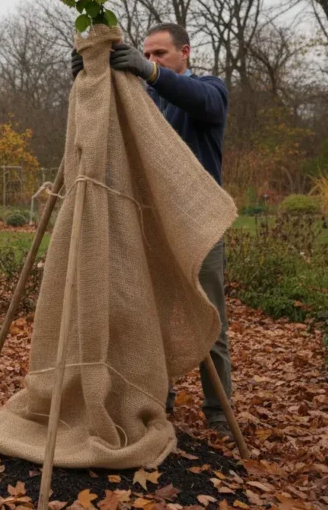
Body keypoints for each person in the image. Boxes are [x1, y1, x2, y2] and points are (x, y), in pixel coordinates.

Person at [70, 22, 233, 438]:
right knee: (151, 320)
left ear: (186, 52)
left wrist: (149, 72)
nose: (152, 60)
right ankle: (159, 402)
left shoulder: (209, 89)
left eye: (160, 53)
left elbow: (205, 103)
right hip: (152, 228)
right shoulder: (149, 104)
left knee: (208, 318)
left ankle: (218, 412)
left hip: (199, 227)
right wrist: (90, 76)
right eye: (147, 53)